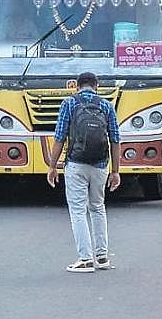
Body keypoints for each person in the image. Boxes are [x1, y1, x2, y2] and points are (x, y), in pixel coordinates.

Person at [47, 72, 121, 273]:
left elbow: (60, 137)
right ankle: (102, 256)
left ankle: (85, 258)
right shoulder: (106, 105)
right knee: (98, 207)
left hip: (76, 164)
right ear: (96, 86)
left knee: (78, 210)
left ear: (77, 86)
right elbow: (115, 139)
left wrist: (52, 166)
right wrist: (115, 171)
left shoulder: (69, 104)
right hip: (100, 165)